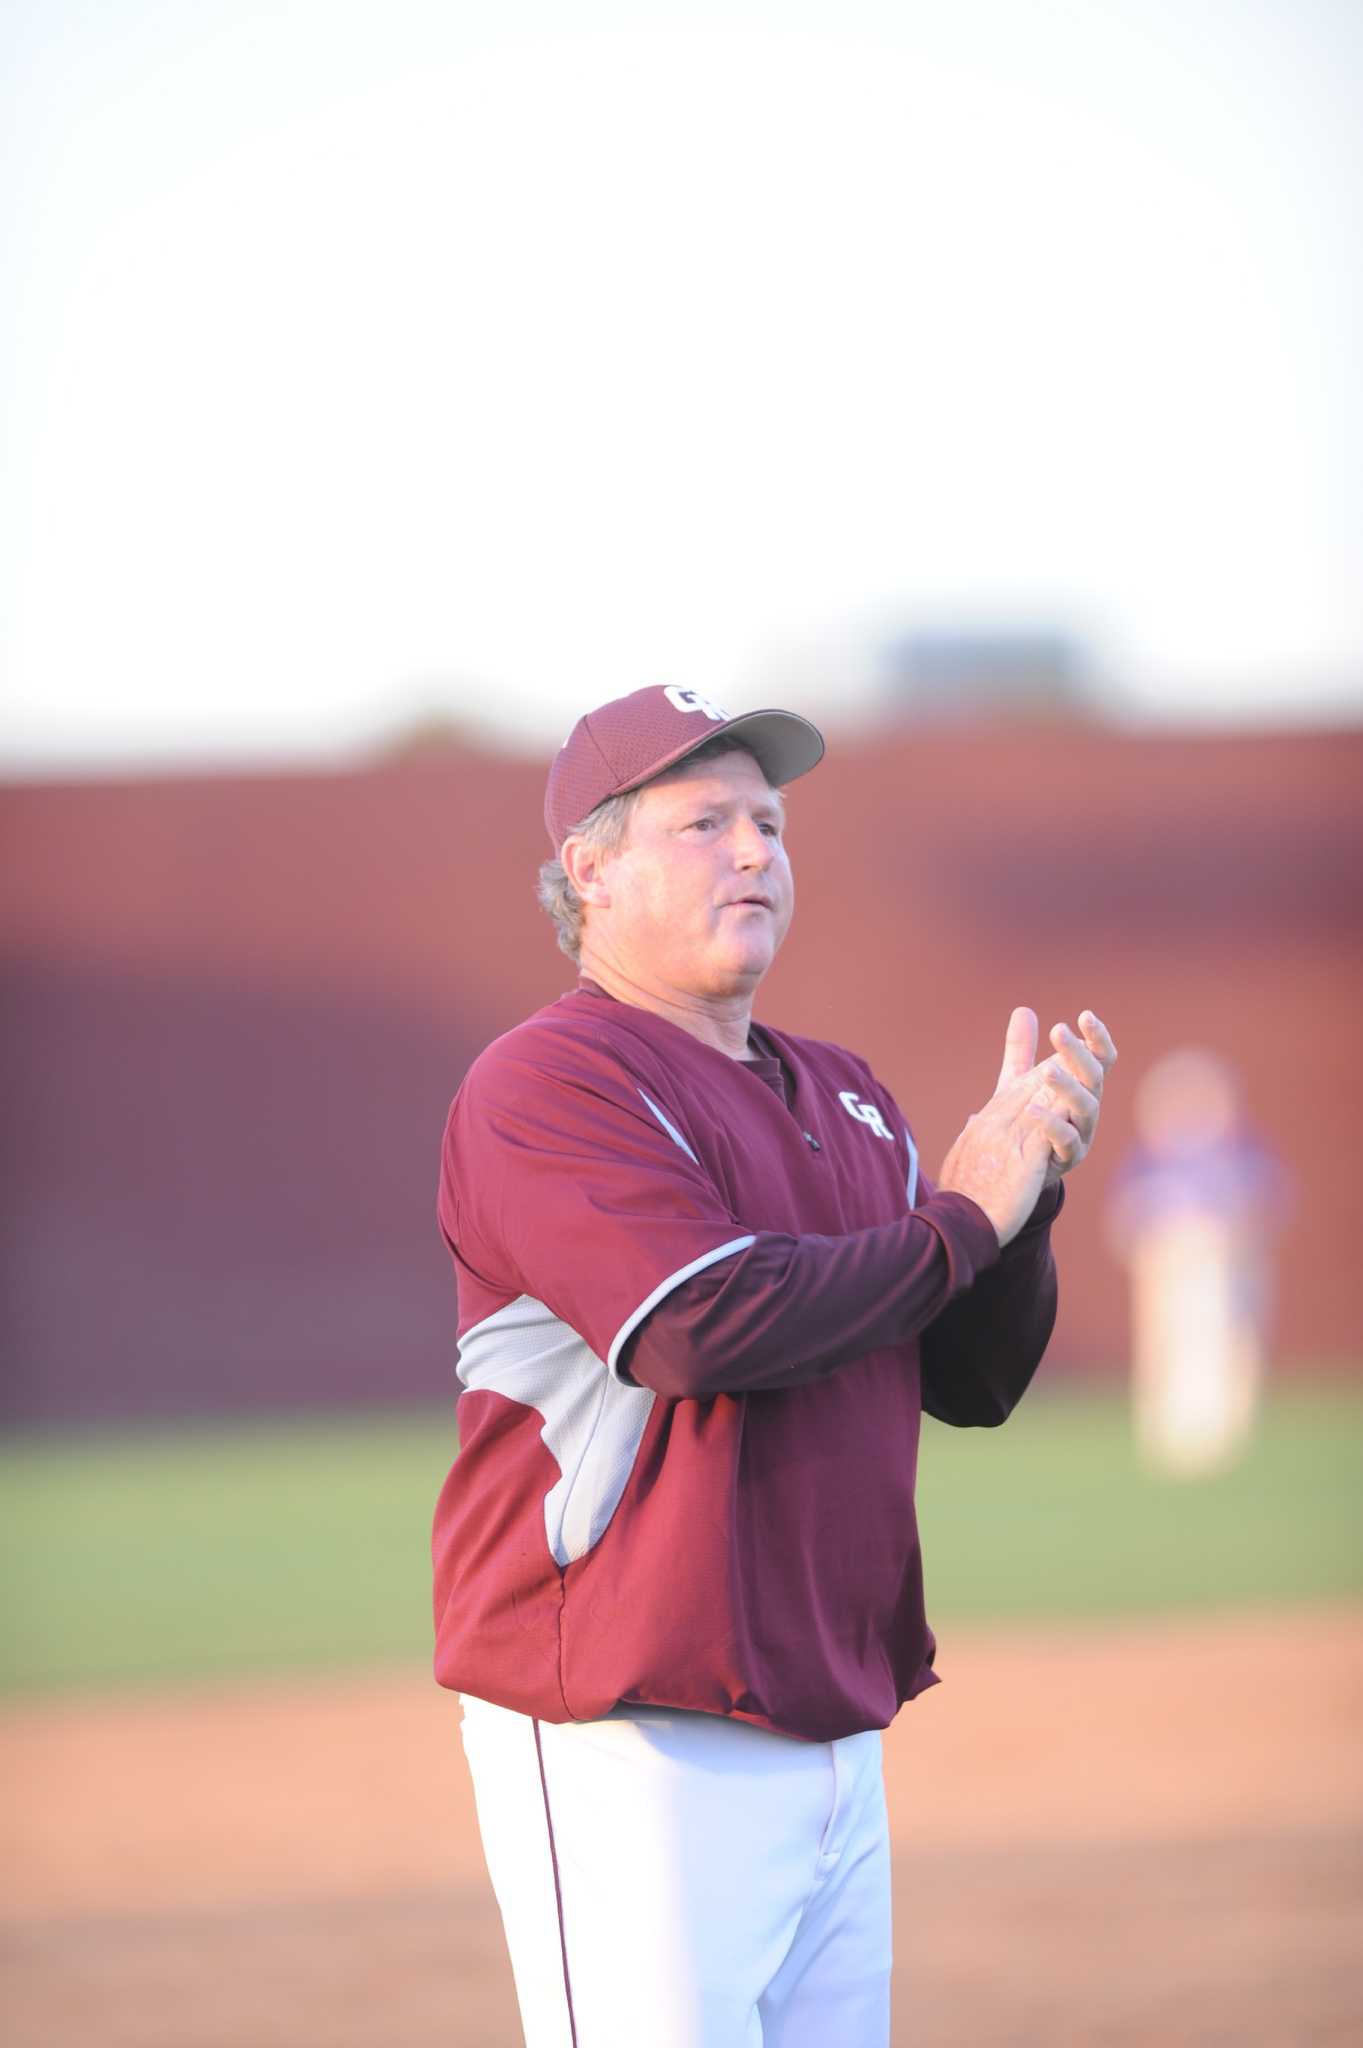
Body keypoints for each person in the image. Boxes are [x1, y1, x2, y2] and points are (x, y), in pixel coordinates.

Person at [432, 683, 1116, 2048]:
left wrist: (1019, 1201)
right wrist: (960, 1217)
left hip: (826, 1718)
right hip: (628, 1725)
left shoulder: (843, 1088)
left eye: (768, 823)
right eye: (702, 824)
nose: (752, 852)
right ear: (592, 869)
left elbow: (964, 1375)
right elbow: (695, 1324)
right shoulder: (546, 1081)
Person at [1108, 1047, 1284, 1475]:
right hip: (1168, 1264)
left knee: (1225, 1340)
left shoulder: (1241, 1154)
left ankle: (1222, 1438)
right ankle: (1169, 1438)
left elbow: (1265, 1205)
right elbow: (1126, 1216)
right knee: (1166, 1343)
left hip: (1225, 1263)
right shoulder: (1149, 1162)